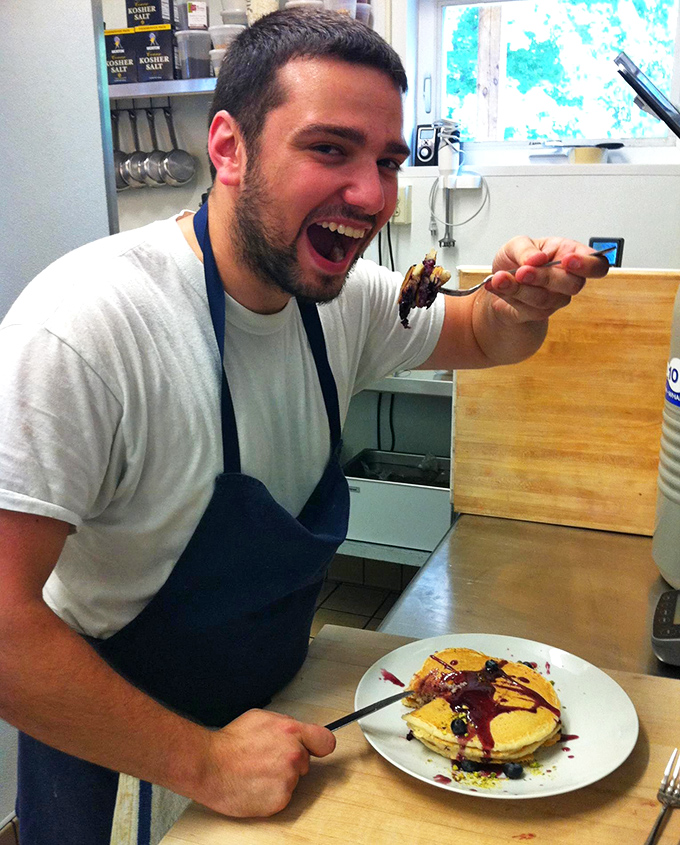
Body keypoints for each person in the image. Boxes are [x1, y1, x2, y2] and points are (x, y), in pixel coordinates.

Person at [0, 9, 610, 844]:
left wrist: (524, 305)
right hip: (122, 758)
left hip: (277, 724)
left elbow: (483, 333)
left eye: (387, 161)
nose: (371, 194)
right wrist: (207, 762)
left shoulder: (344, 304)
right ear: (228, 148)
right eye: (329, 150)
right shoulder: (90, 325)